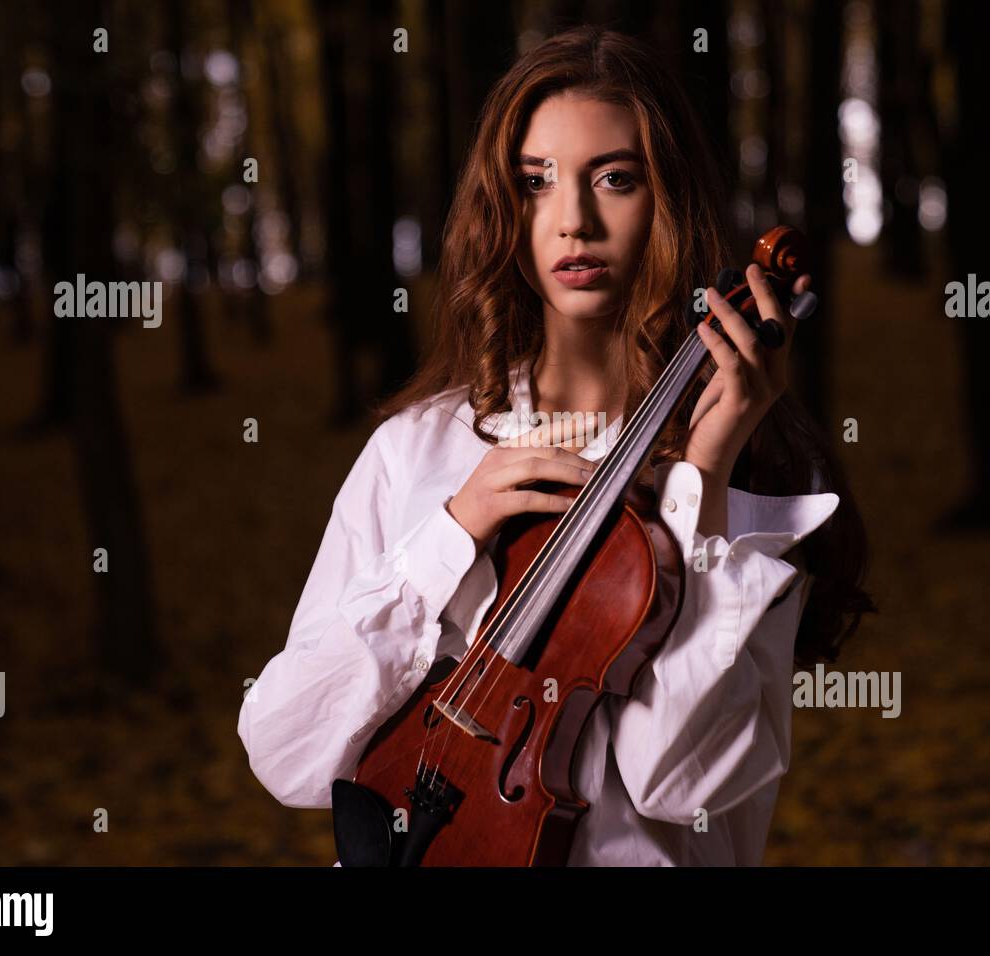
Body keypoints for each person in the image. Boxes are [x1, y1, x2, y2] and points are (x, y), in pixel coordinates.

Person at [238, 26, 874, 866]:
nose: (572, 220)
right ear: (504, 207)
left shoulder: (751, 470)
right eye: (535, 184)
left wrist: (705, 479)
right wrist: (448, 537)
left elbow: (682, 787)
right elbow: (285, 751)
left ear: (667, 200)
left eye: (614, 179)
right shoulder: (416, 452)